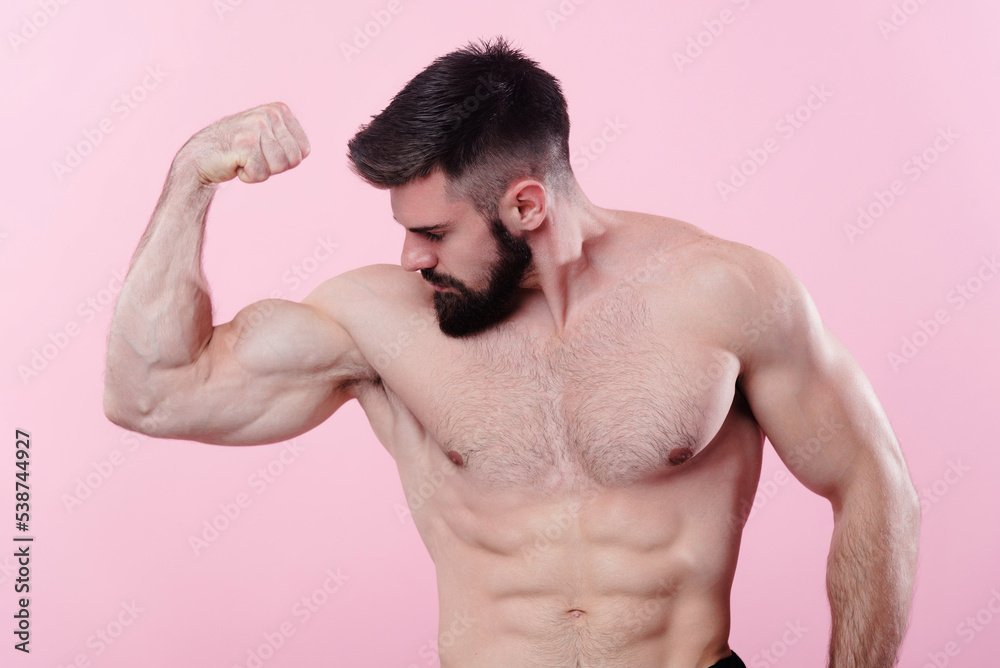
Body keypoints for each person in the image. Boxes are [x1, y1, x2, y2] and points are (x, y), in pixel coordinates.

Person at [103, 37, 920, 668]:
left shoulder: (725, 293)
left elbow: (872, 482)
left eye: (434, 232)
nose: (410, 259)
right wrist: (190, 182)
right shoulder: (380, 322)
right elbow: (150, 393)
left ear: (526, 205)